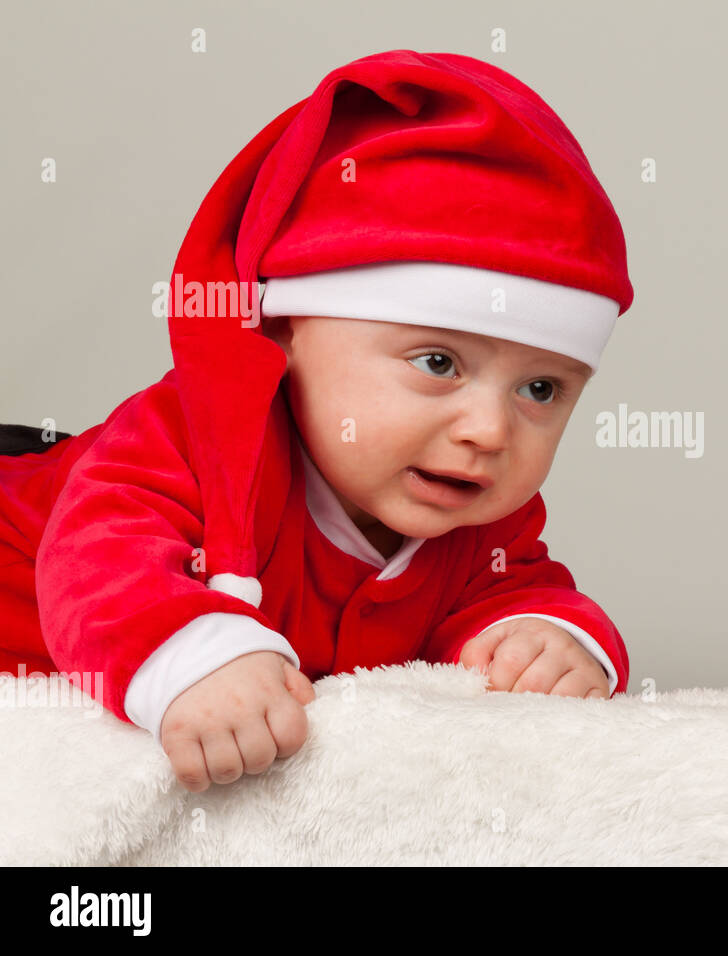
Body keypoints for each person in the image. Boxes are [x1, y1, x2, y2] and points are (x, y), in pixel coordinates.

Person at [0, 49, 633, 793]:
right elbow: (97, 559)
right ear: (285, 331)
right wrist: (197, 656)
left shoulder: (475, 515)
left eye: (540, 388)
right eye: (437, 363)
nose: (490, 431)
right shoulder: (193, 435)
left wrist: (548, 639)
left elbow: (513, 590)